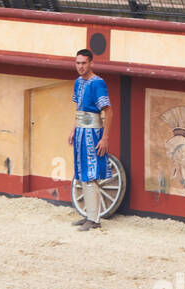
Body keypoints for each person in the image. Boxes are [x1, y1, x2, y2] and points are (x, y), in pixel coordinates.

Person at [69, 49, 112, 231]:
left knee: (91, 174)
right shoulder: (78, 82)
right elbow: (79, 109)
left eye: (84, 63)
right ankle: (88, 215)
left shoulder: (98, 83)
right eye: (78, 63)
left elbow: (108, 111)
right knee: (82, 174)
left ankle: (94, 219)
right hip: (80, 131)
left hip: (92, 133)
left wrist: (105, 137)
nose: (80, 66)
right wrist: (73, 129)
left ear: (91, 63)